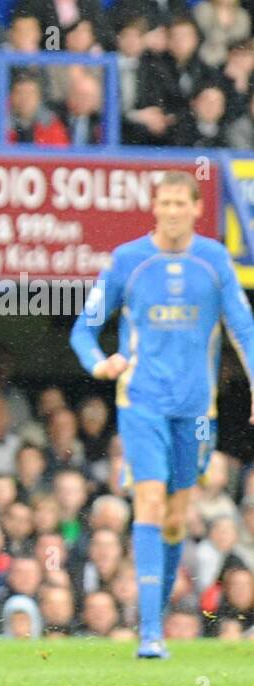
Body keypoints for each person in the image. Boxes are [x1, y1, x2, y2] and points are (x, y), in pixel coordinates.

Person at [70, 171, 254, 659]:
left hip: (196, 409)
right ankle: (150, 633)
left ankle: (156, 624)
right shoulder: (129, 261)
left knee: (176, 517)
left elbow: (244, 328)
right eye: (164, 203)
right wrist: (99, 362)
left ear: (197, 209)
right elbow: (83, 330)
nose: (172, 211)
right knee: (148, 501)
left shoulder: (213, 260)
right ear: (153, 207)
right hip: (141, 402)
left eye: (181, 203)